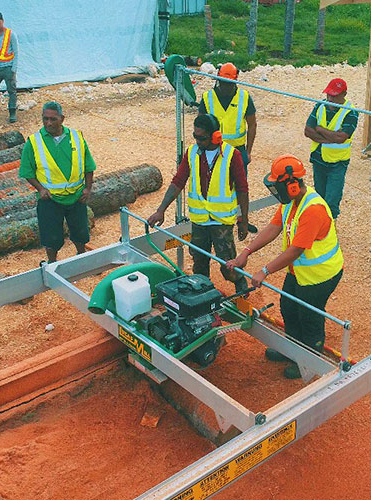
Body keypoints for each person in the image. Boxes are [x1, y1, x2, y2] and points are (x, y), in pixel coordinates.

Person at [226, 155, 343, 379]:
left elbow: (295, 250)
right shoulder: (290, 202)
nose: (276, 192)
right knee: (289, 307)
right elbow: (273, 228)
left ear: (291, 185)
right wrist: (246, 253)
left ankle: (308, 362)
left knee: (309, 316)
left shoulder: (313, 209)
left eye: (278, 186)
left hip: (320, 276)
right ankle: (292, 351)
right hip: (300, 272)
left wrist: (265, 270)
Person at [147, 114, 250, 293]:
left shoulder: (232, 155)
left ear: (216, 136)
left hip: (221, 222)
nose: (197, 141)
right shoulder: (192, 153)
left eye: (201, 138)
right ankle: (204, 296)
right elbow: (178, 182)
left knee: (228, 266)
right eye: (195, 136)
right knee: (199, 264)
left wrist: (244, 220)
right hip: (200, 221)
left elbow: (242, 189)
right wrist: (160, 210)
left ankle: (239, 282)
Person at [19, 102, 96, 263]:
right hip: (50, 199)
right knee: (51, 237)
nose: (48, 123)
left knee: (81, 232)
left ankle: (82, 255)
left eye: (53, 119)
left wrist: (88, 188)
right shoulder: (33, 142)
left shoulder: (77, 137)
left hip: (76, 197)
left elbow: (89, 165)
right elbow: (27, 171)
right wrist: (40, 189)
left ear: (62, 119)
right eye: (45, 119)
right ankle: (52, 263)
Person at [199, 62, 258, 233]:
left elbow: (252, 124)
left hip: (237, 150)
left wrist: (249, 150)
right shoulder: (208, 97)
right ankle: (215, 219)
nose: (225, 87)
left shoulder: (244, 97)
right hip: (213, 149)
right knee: (214, 185)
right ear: (218, 80)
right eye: (223, 82)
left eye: (228, 83)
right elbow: (200, 124)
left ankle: (241, 218)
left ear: (235, 82)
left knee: (240, 187)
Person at [303, 78, 357, 220]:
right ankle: (320, 228)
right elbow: (308, 131)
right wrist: (330, 137)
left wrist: (320, 129)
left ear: (344, 94)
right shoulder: (320, 105)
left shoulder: (351, 112)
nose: (330, 98)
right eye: (329, 94)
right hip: (318, 159)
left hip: (337, 163)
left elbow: (341, 138)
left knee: (332, 202)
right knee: (319, 198)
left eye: (334, 95)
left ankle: (330, 231)